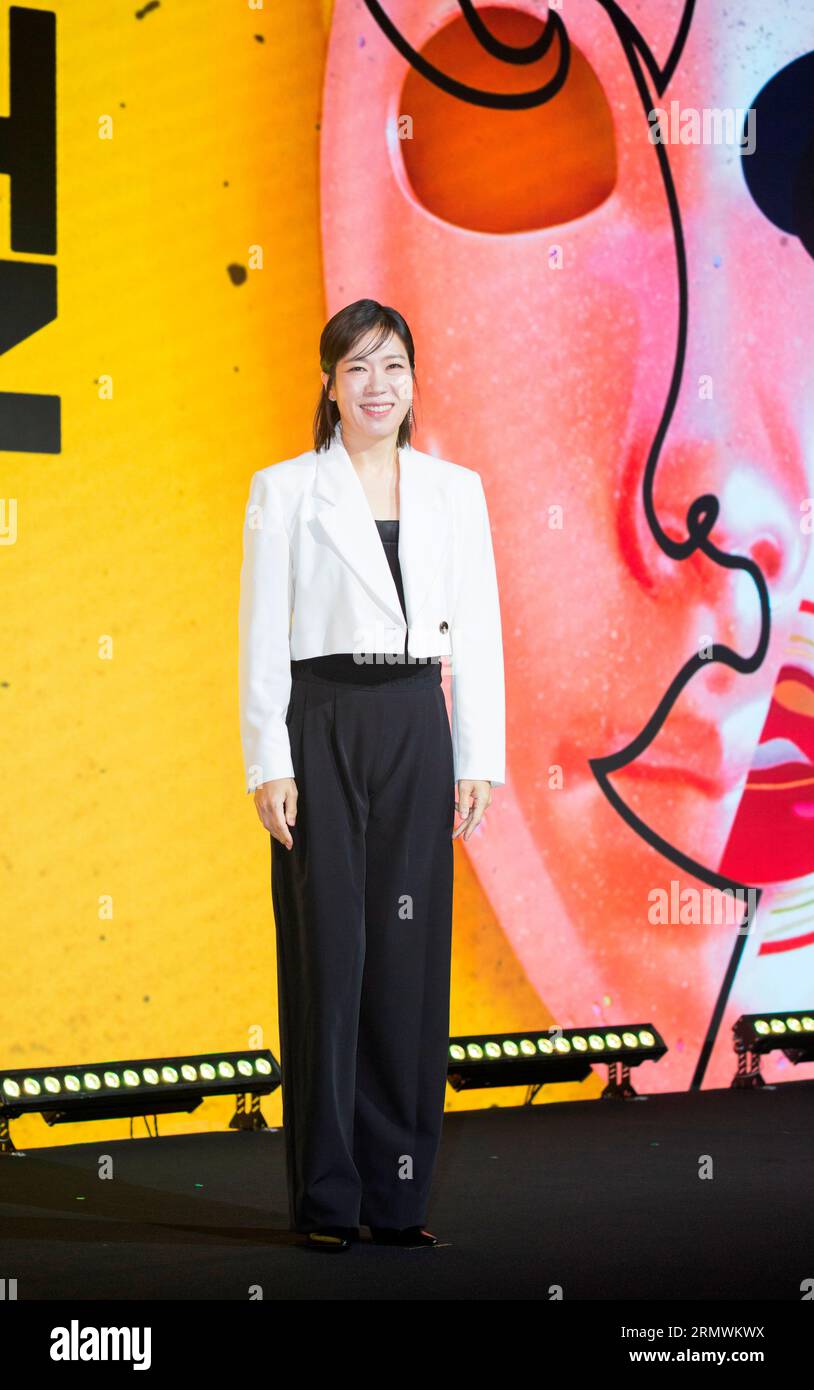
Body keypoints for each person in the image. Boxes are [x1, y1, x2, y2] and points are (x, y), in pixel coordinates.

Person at [239, 299, 505, 1251]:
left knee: (408, 964)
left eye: (392, 366)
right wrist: (270, 760)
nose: (377, 385)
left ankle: (397, 1199)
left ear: (413, 380)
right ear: (330, 385)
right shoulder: (283, 491)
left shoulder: (454, 490)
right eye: (356, 369)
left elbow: (476, 631)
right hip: (322, 720)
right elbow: (263, 638)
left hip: (413, 724)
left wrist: (477, 755)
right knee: (328, 959)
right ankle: (327, 1200)